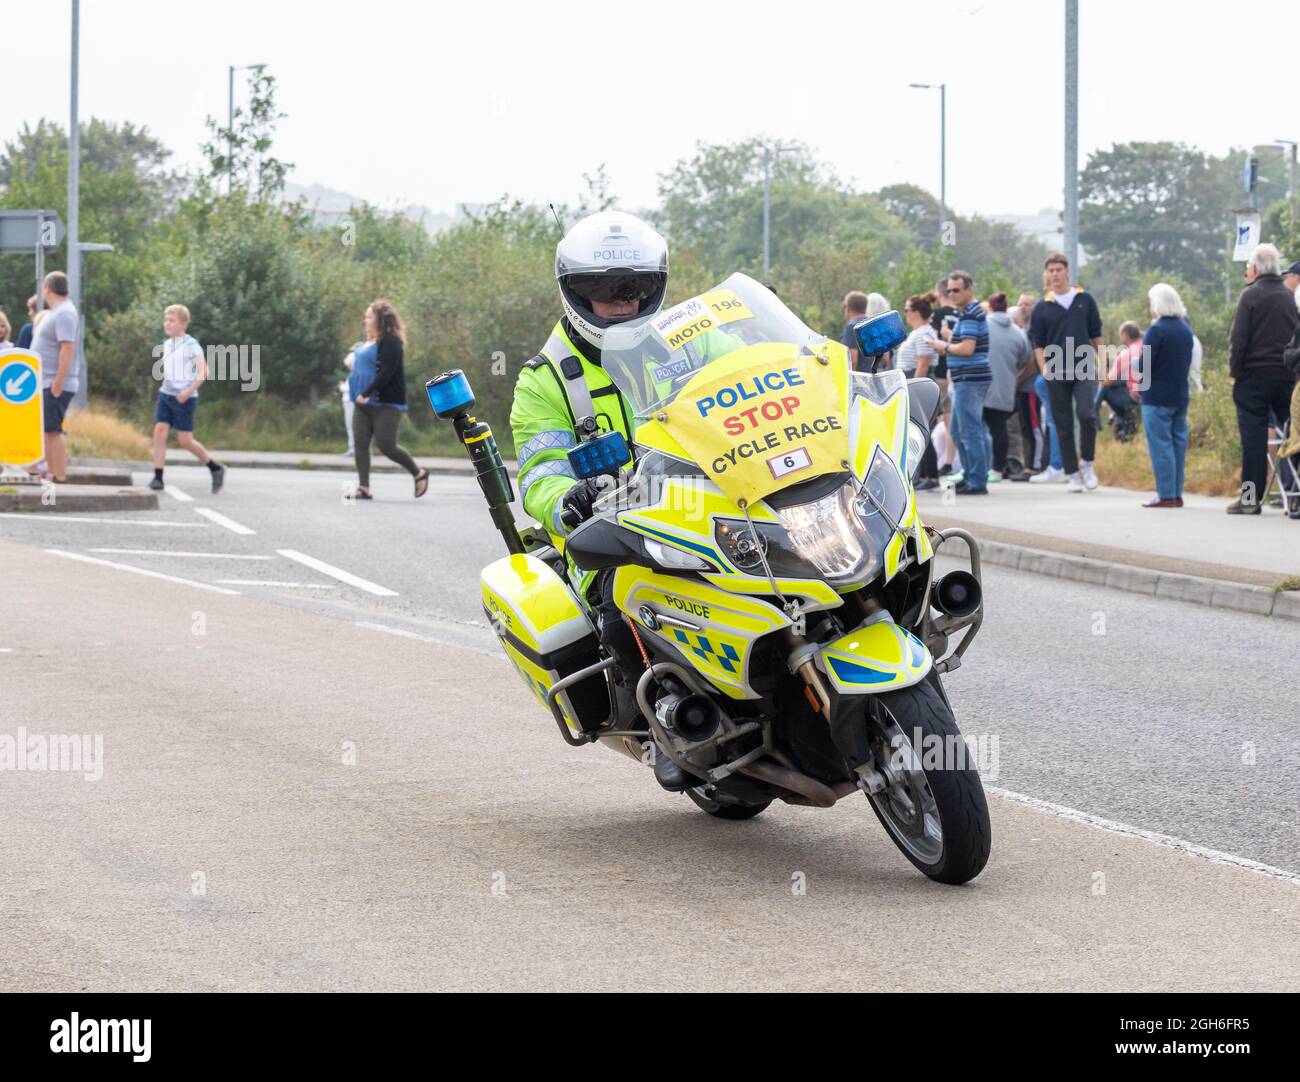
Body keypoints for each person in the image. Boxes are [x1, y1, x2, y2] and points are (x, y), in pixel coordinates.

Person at [1226, 243, 1299, 514]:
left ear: (1255, 268)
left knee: (1253, 442)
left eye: (1248, 267)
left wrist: (1234, 372)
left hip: (1254, 378)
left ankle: (1249, 499)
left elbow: (1239, 339)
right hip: (1285, 377)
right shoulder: (1288, 295)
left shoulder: (1250, 296)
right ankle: (1295, 494)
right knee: (1294, 435)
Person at [1029, 251, 1104, 493]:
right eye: (1051, 271)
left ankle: (1087, 463)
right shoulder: (1042, 307)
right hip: (1056, 371)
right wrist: (1044, 368)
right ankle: (1072, 473)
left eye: (1059, 270)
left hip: (1083, 367)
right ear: (1047, 275)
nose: (1055, 274)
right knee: (1063, 423)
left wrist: (1103, 364)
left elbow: (1097, 335)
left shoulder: (1084, 300)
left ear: (1067, 272)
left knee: (1087, 415)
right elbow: (1037, 344)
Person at [348, 301, 428, 500]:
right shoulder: (368, 341)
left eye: (368, 317)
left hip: (385, 403)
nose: (365, 320)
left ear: (380, 320)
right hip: (362, 403)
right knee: (360, 443)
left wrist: (365, 393)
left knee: (387, 446)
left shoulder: (391, 342)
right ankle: (364, 487)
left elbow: (386, 373)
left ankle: (419, 473)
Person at [148, 304, 225, 493]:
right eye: (166, 320)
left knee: (185, 441)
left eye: (172, 320)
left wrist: (188, 391)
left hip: (185, 398)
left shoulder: (191, 345)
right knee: (159, 431)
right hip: (167, 394)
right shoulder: (166, 344)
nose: (167, 324)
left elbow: (204, 372)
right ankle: (158, 477)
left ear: (183, 324)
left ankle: (215, 468)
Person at [932, 270, 991, 494]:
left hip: (970, 379)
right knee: (957, 431)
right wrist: (949, 338)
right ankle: (970, 474)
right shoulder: (967, 313)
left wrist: (944, 347)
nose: (952, 294)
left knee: (970, 430)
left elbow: (967, 348)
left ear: (969, 289)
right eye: (949, 290)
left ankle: (977, 480)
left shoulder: (970, 314)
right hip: (965, 379)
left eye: (957, 290)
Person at [1139, 285, 1194, 508]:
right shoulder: (1185, 328)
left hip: (1157, 396)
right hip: (1180, 393)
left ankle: (1165, 494)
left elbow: (1145, 364)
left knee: (1161, 445)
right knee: (1178, 444)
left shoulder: (1156, 329)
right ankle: (1176, 493)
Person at [29, 271, 81, 483]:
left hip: (55, 382)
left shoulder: (65, 313)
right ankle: (49, 473)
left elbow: (67, 348)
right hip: (47, 381)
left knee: (52, 430)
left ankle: (58, 475)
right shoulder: (57, 312)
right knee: (46, 429)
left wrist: (58, 381)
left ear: (48, 288)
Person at [983, 291, 1032, 480]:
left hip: (982, 384)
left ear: (990, 306)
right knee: (999, 428)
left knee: (978, 429)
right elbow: (1025, 358)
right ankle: (997, 468)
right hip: (1005, 387)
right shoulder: (1018, 333)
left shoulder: (983, 326)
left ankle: (981, 466)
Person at [897, 293, 942, 490]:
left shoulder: (924, 333)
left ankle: (930, 474)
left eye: (907, 310)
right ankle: (924, 474)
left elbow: (922, 364)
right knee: (915, 430)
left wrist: (913, 387)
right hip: (909, 377)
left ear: (916, 312)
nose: (905, 314)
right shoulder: (919, 332)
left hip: (916, 379)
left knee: (920, 430)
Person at [1097, 320, 1141, 441]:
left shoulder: (1126, 354)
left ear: (1125, 335)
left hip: (1135, 397)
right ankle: (1117, 419)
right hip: (1152, 392)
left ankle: (1110, 418)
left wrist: (1098, 377)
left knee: (1107, 388)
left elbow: (1108, 381)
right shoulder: (1148, 345)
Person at [339, 339, 363, 457]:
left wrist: (341, 387)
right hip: (348, 401)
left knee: (351, 425)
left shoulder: (355, 374)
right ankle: (353, 448)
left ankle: (353, 449)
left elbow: (351, 389)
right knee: (351, 426)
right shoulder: (354, 374)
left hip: (350, 401)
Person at [841, 291, 868, 371]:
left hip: (859, 380)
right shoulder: (872, 324)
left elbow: (852, 360)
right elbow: (885, 359)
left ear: (847, 307)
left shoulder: (852, 327)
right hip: (873, 378)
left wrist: (850, 381)